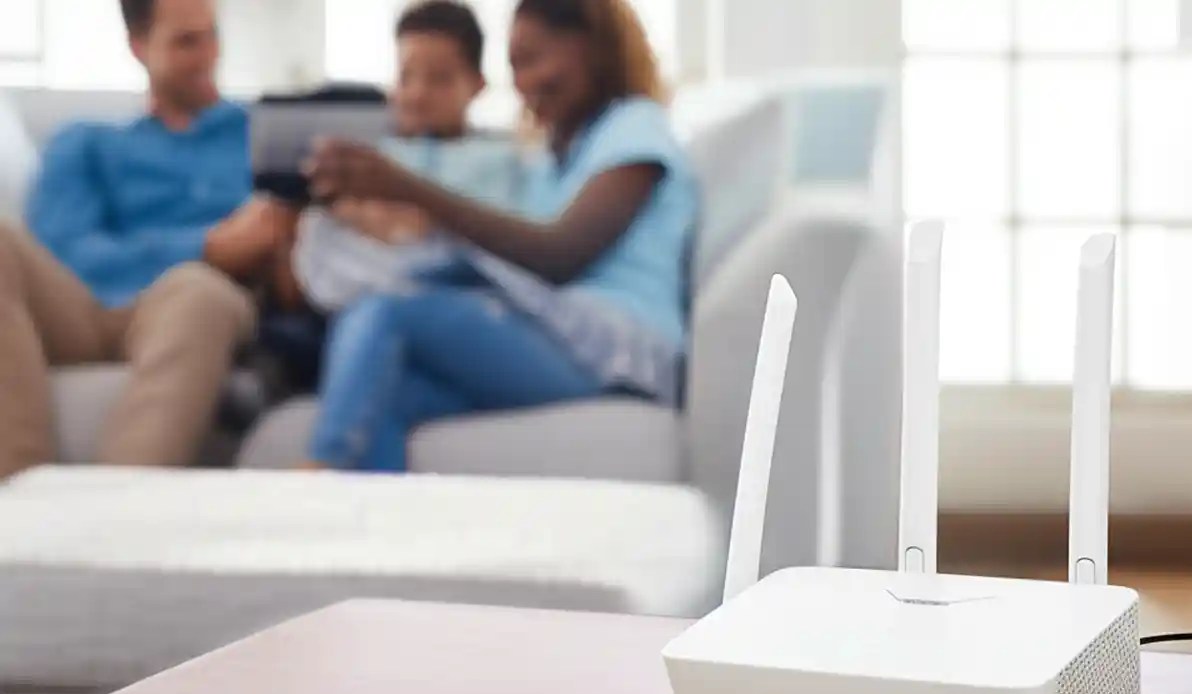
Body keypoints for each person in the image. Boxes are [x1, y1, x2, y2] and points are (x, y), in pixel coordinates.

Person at [302, 0, 699, 472]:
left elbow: (561, 253)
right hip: (557, 336)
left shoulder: (635, 127)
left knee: (386, 313)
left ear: (590, 48)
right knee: (390, 393)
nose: (523, 82)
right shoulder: (553, 158)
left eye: (533, 59)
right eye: (514, 66)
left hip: (616, 353)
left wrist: (408, 188)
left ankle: (315, 486)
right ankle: (379, 538)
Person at [0, 0, 291, 478]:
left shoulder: (256, 134)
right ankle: (19, 508)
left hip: (189, 303)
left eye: (212, 36)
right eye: (186, 42)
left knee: (200, 289)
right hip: (84, 307)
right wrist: (208, 244)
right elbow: (63, 251)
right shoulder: (86, 142)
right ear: (139, 46)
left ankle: (116, 522)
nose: (207, 55)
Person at [288, 0, 524, 313]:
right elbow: (352, 212)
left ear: (478, 85)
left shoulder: (496, 159)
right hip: (360, 276)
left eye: (439, 79)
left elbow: (465, 236)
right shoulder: (380, 152)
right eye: (405, 77)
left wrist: (394, 221)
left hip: (445, 288)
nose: (417, 93)